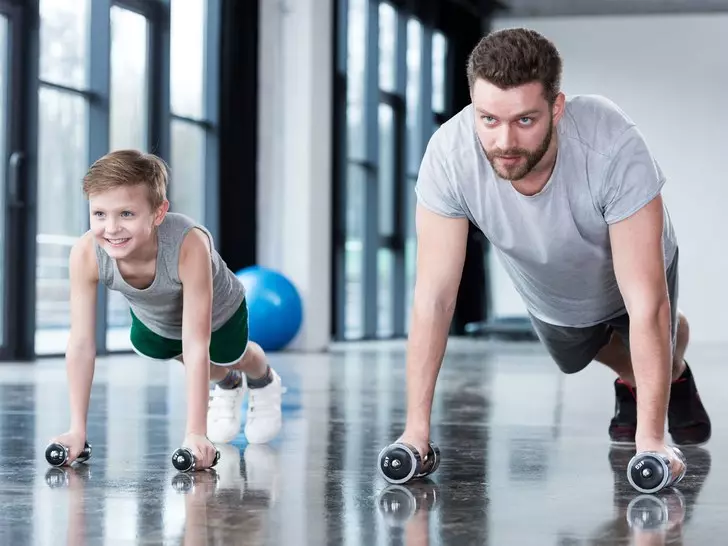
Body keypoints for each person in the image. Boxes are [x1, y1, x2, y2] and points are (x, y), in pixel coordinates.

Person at [397, 28, 711, 476]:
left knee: (650, 323)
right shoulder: (449, 156)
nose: (505, 141)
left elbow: (646, 303)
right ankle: (646, 372)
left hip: (634, 270)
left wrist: (652, 440)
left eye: (525, 120)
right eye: (488, 119)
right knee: (574, 356)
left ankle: (662, 375)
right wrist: (415, 433)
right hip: (553, 286)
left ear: (556, 108)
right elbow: (434, 298)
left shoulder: (611, 144)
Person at [51, 150, 284, 469]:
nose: (112, 228)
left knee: (232, 357)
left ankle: (263, 378)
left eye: (127, 214)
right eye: (100, 214)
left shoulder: (189, 245)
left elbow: (196, 342)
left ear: (158, 213)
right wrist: (76, 429)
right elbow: (80, 344)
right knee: (197, 362)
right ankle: (227, 383)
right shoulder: (86, 253)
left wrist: (195, 433)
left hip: (218, 315)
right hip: (158, 320)